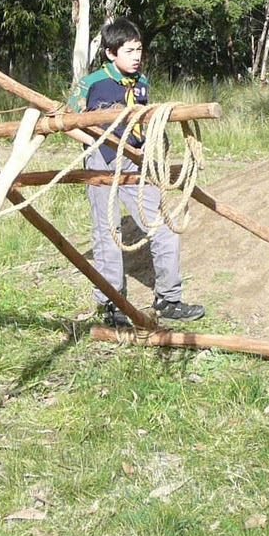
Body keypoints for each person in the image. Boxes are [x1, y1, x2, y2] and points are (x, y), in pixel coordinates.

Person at [74, 18, 205, 328]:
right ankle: (111, 303)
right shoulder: (92, 83)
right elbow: (69, 122)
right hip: (101, 160)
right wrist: (99, 141)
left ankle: (169, 299)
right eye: (129, 51)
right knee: (108, 233)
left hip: (136, 160)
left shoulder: (141, 83)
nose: (136, 56)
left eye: (139, 50)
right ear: (110, 53)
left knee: (163, 225)